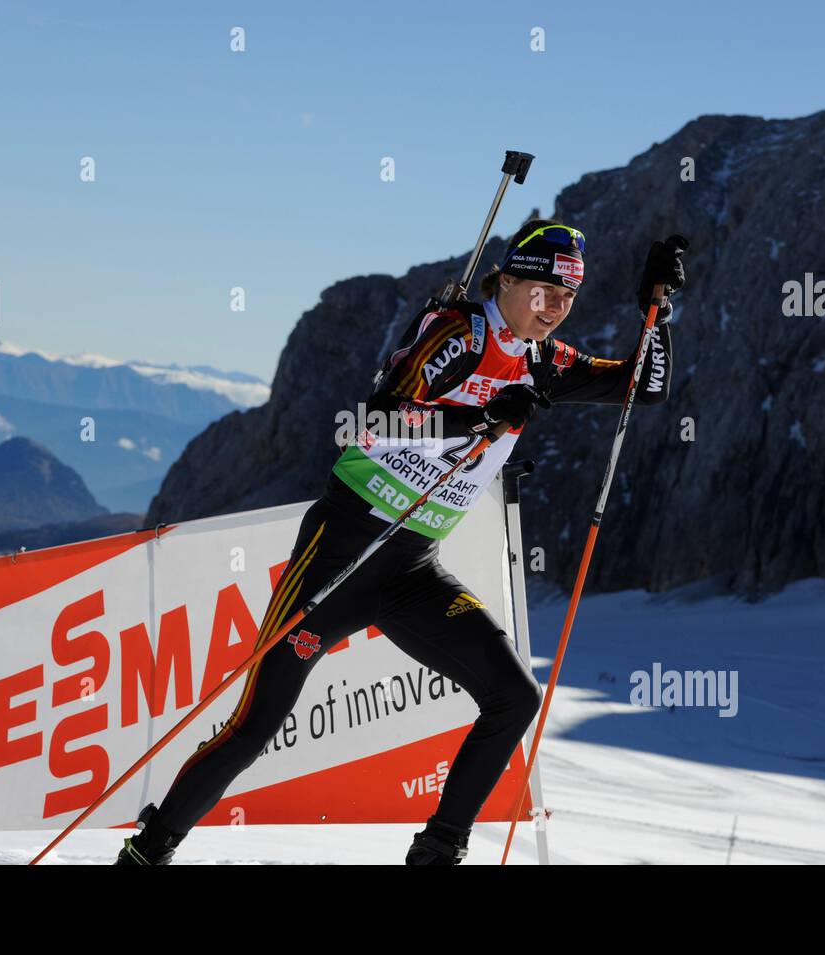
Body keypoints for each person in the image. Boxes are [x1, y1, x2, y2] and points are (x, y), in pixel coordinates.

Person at [115, 218, 686, 865]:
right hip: (339, 552)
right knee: (254, 726)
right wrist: (478, 417)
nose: (556, 309)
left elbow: (647, 385)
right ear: (508, 279)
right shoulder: (460, 335)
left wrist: (656, 308)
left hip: (410, 571)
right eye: (545, 292)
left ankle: (436, 853)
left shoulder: (540, 362)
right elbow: (373, 417)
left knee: (514, 697)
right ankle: (147, 851)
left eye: (569, 298)